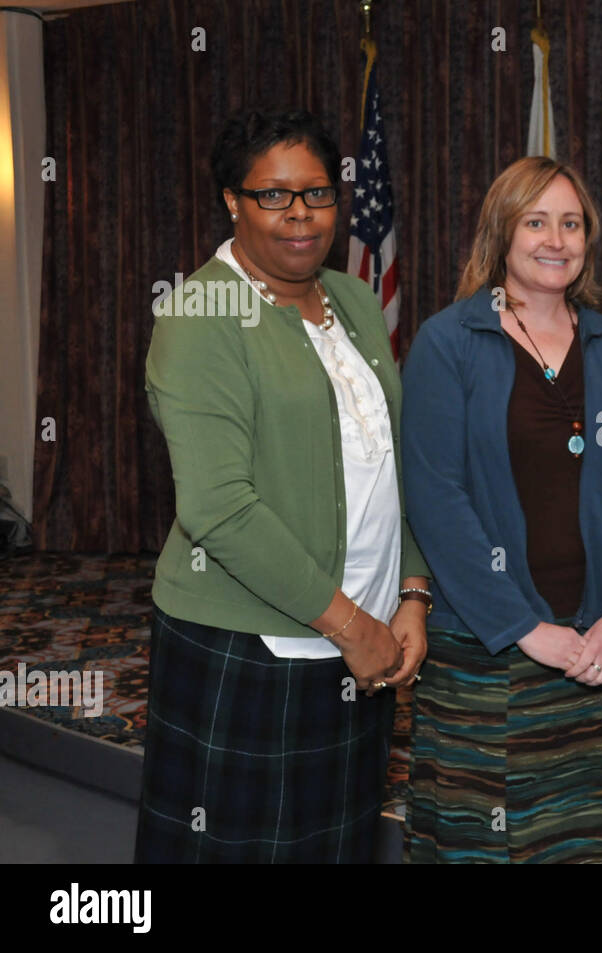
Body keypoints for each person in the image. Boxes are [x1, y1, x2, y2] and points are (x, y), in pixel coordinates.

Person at [137, 109, 431, 863]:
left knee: (336, 844)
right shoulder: (199, 316)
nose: (300, 213)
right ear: (232, 202)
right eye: (273, 195)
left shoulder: (354, 300)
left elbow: (392, 460)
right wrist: (350, 626)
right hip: (252, 647)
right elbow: (219, 509)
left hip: (364, 641)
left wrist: (410, 594)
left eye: (318, 192)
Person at [401, 156, 602, 864]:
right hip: (486, 647)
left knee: (586, 842)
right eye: (536, 222)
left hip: (597, 644)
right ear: (502, 233)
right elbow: (435, 499)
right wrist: (521, 626)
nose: (556, 240)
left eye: (571, 224)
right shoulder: (448, 343)